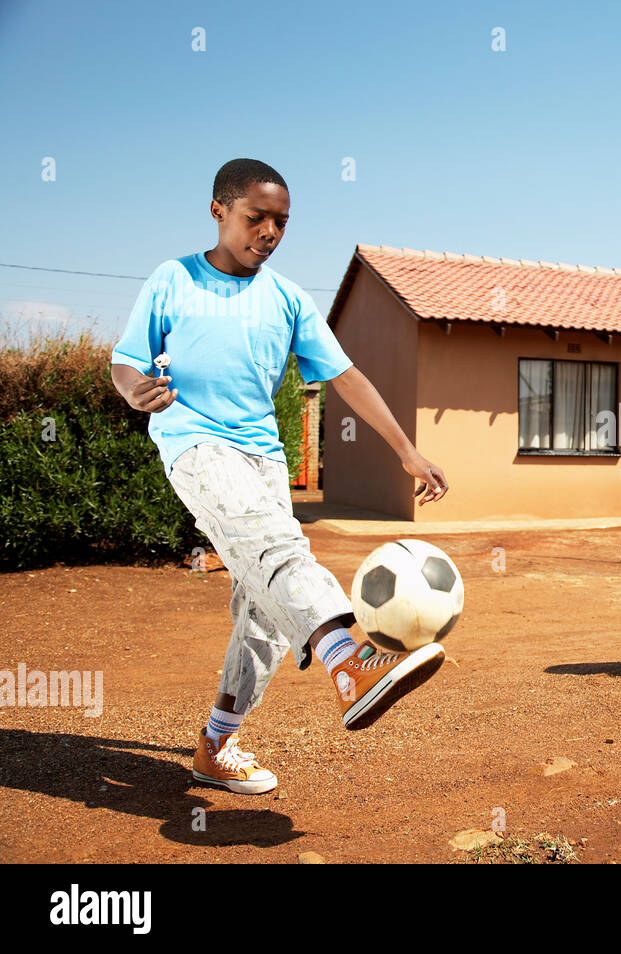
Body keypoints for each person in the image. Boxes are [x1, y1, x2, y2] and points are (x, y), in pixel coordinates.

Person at [109, 158, 450, 794]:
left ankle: (217, 741)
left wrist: (406, 449)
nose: (269, 231)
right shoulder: (172, 279)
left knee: (263, 605)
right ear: (219, 209)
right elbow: (126, 361)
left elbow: (345, 376)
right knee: (279, 548)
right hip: (195, 446)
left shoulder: (288, 298)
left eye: (281, 223)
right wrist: (134, 392)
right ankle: (350, 661)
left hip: (263, 458)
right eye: (255, 217)